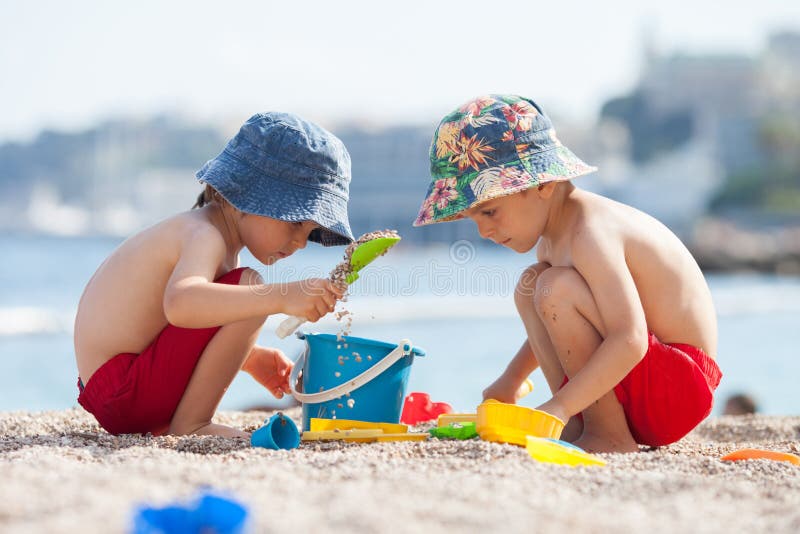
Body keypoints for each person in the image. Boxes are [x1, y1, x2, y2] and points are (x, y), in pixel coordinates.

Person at [413, 95, 722, 452]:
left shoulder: (591, 231)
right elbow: (567, 320)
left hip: (678, 390)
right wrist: (511, 380)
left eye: (490, 212)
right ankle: (584, 424)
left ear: (542, 185)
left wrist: (556, 407)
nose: (483, 232)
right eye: (473, 219)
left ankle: (608, 435)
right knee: (531, 285)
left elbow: (630, 338)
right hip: (643, 381)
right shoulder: (554, 239)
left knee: (552, 288)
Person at [74, 112, 352, 438]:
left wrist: (249, 358)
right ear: (249, 197)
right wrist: (281, 296)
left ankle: (183, 421)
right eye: (295, 223)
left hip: (118, 389)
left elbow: (169, 323)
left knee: (241, 294)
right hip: (123, 389)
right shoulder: (205, 235)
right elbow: (181, 304)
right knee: (251, 288)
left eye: (311, 233)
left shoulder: (207, 236)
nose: (301, 243)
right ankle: (193, 424)